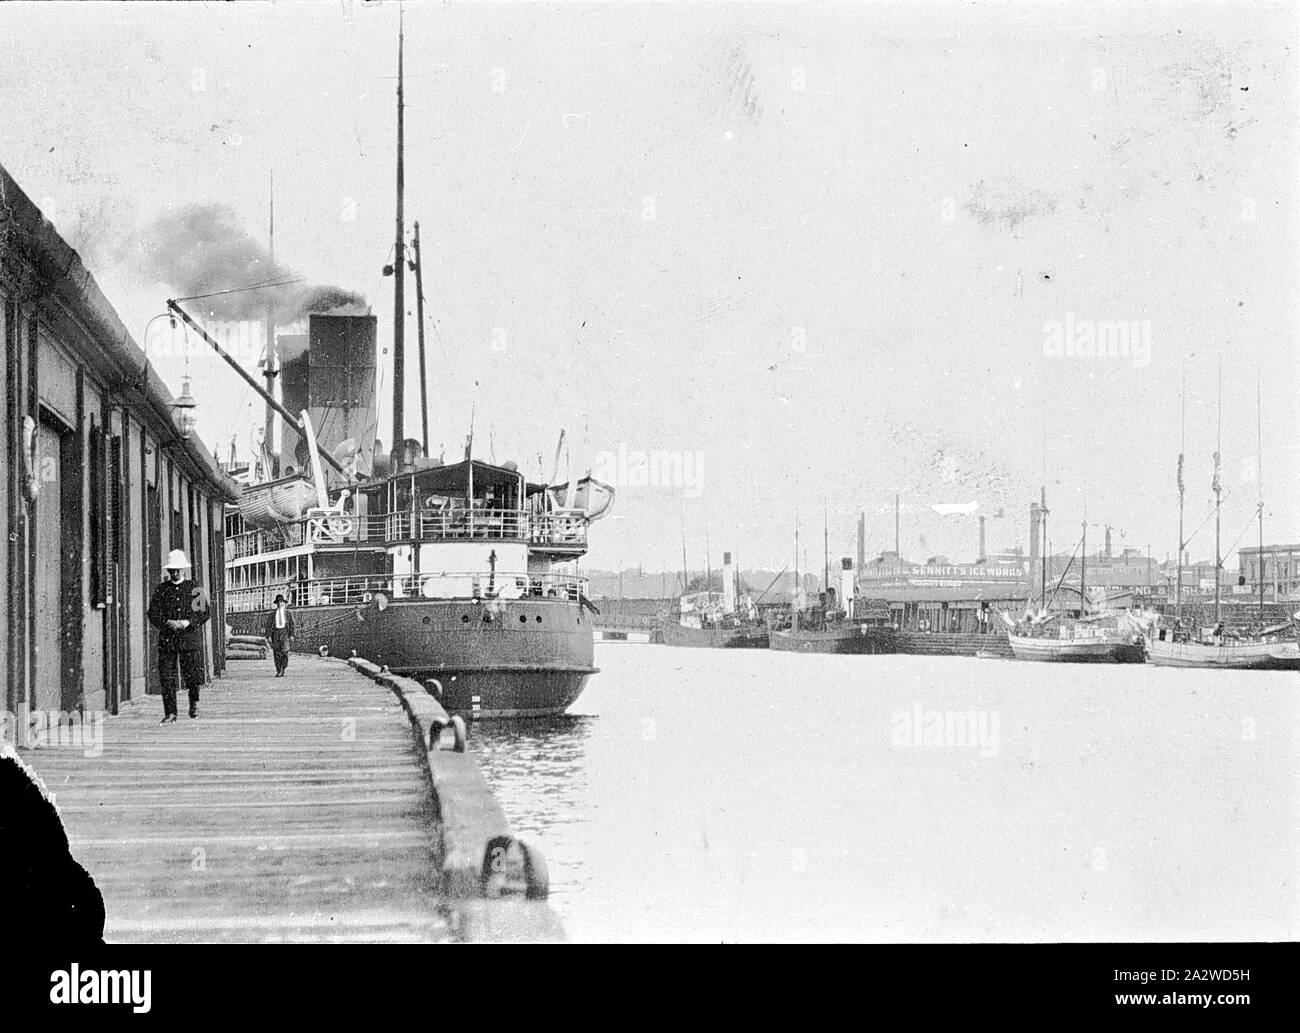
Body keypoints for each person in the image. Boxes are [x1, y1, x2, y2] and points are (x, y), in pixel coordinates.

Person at [146, 549, 211, 723]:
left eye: (178, 569)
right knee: (167, 676)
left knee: (192, 675)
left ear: (184, 569)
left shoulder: (194, 587)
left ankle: (194, 704)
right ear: (168, 570)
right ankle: (170, 713)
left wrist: (187, 622)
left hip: (189, 638)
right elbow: (152, 613)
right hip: (168, 639)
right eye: (172, 570)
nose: (175, 573)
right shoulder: (162, 589)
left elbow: (204, 613)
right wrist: (167, 622)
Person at [263, 594, 296, 677]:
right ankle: (279, 670)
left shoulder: (288, 613)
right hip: (276, 634)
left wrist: (292, 635)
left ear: (283, 603)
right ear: (276, 603)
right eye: (278, 602)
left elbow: (292, 624)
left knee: (284, 652)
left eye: (281, 602)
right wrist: (269, 636)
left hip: (285, 634)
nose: (279, 604)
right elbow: (268, 626)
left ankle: (283, 668)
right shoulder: (272, 614)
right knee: (277, 653)